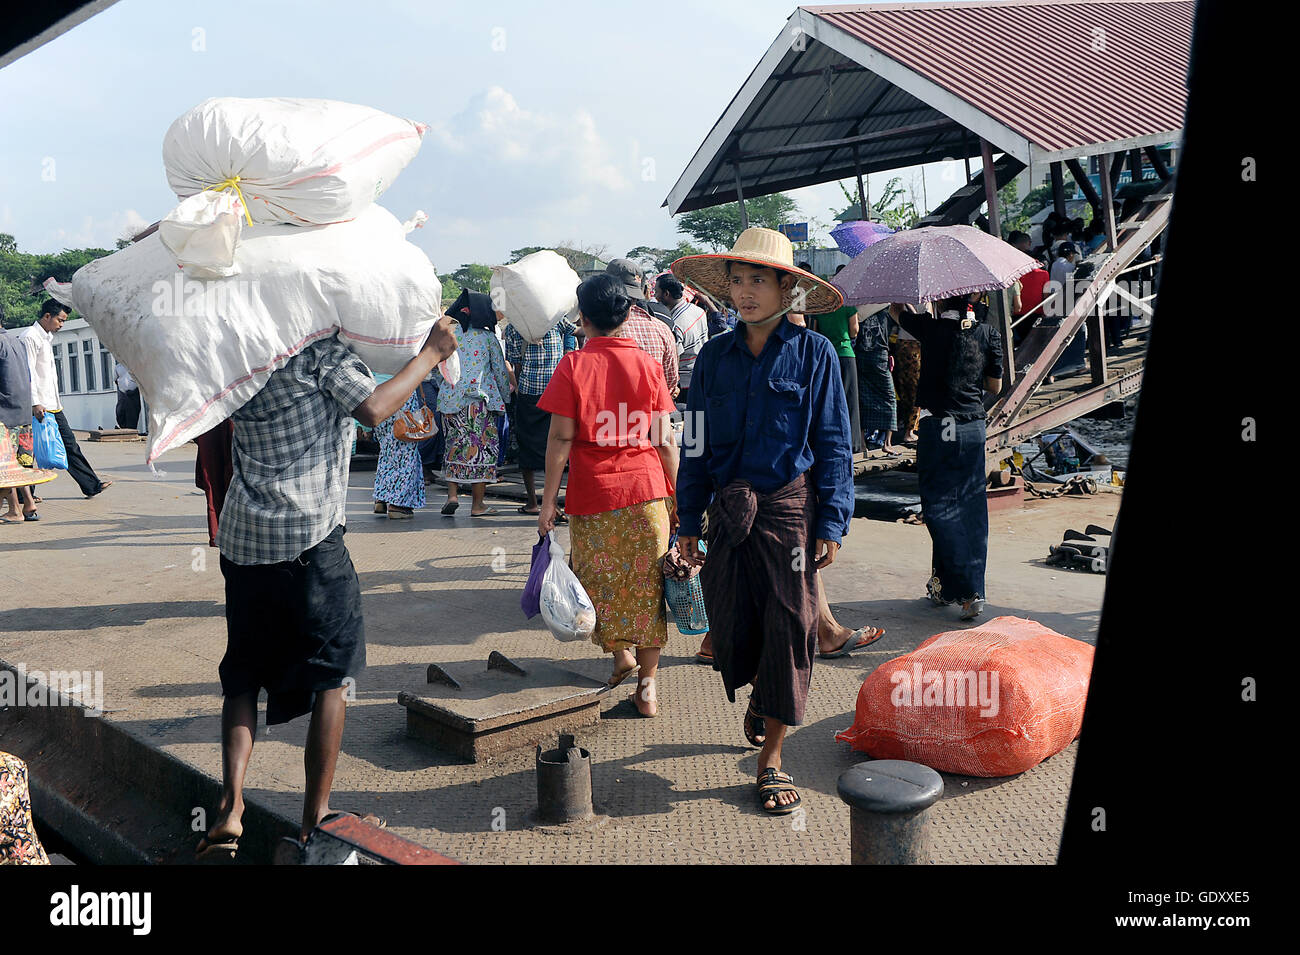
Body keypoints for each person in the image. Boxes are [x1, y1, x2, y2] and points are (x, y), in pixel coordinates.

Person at [195, 314, 460, 857]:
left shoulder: (234, 349)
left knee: (244, 673)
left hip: (244, 539)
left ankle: (230, 807)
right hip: (310, 541)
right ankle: (315, 815)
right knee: (332, 678)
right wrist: (430, 355)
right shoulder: (317, 351)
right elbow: (375, 407)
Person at [672, 227, 855, 816]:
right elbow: (694, 439)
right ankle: (760, 695)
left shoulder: (815, 354)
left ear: (786, 288)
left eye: (758, 280)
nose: (745, 292)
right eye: (737, 280)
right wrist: (688, 522)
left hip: (788, 510)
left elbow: (832, 441)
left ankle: (772, 758)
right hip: (728, 509)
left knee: (791, 626)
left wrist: (832, 520)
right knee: (731, 629)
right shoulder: (713, 359)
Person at [536, 273, 678, 717]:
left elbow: (560, 440)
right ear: (628, 315)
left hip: (594, 495)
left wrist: (547, 503)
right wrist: (676, 497)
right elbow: (665, 440)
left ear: (583, 317)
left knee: (598, 585)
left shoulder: (574, 366)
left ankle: (621, 656)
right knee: (649, 589)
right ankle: (648, 684)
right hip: (647, 490)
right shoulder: (647, 366)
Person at [890, 295, 1002, 621]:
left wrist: (909, 301)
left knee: (939, 508)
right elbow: (994, 386)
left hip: (939, 428)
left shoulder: (930, 327)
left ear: (940, 301)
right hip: (972, 427)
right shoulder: (988, 333)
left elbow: (897, 311)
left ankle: (967, 589)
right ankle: (948, 587)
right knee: (970, 509)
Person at [18, 301, 112, 498]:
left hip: (53, 405)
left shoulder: (47, 338)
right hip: (37, 406)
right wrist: (35, 402)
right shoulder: (30, 337)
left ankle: (91, 485)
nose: (61, 325)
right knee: (30, 451)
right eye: (60, 320)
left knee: (69, 445)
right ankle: (24, 496)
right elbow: (28, 374)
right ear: (47, 316)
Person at [436, 289, 511, 518]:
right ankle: (478, 505)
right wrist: (506, 398)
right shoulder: (488, 338)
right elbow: (499, 371)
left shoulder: (449, 334)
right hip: (478, 404)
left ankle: (452, 495)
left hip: (449, 403)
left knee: (454, 447)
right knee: (481, 452)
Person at [503, 312, 578, 515]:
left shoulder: (513, 327)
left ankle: (533, 503)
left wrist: (518, 388)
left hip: (530, 392)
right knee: (558, 445)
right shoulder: (554, 319)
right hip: (558, 391)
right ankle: (555, 502)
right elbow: (575, 331)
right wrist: (568, 351)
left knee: (528, 446)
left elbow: (514, 363)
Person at [810, 265, 864, 456]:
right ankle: (853, 443)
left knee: (829, 400)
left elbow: (815, 332)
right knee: (850, 399)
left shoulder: (821, 307)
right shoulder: (848, 304)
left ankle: (830, 442)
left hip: (826, 356)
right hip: (845, 353)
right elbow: (854, 330)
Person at [605, 259, 679, 397]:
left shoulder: (601, 329)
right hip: (653, 413)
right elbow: (670, 383)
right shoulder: (661, 329)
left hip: (609, 415)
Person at [2, 327, 53, 523]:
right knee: (21, 463)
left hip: (4, 414)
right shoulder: (18, 342)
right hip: (22, 411)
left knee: (5, 466)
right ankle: (29, 504)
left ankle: (15, 510)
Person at [371, 374, 428, 520]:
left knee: (387, 449)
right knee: (406, 450)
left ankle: (381, 497)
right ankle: (398, 505)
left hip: (377, 393)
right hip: (403, 391)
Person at [654, 274, 708, 406]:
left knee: (685, 422)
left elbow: (674, 359)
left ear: (666, 294)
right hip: (702, 375)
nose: (655, 296)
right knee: (697, 422)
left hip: (684, 385)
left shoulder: (675, 324)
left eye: (656, 291)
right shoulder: (698, 310)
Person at [854, 302, 900, 454]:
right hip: (877, 354)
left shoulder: (859, 305)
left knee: (864, 399)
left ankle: (864, 443)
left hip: (866, 354)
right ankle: (886, 443)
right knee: (888, 397)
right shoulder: (885, 302)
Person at [114, 359, 141, 430]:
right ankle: (123, 427)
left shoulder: (134, 366)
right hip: (122, 393)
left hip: (134, 392)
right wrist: (122, 387)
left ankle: (131, 429)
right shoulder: (118, 367)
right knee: (120, 411)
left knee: (133, 412)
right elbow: (115, 380)